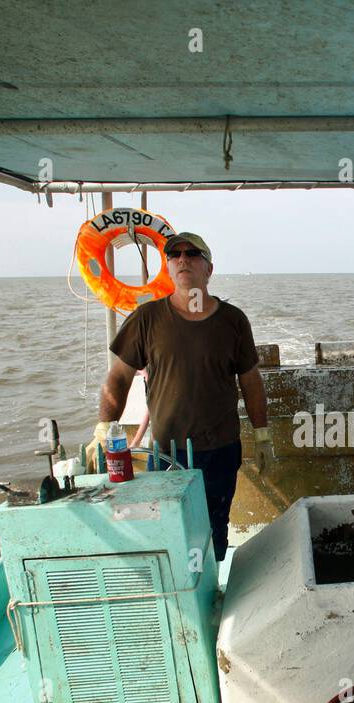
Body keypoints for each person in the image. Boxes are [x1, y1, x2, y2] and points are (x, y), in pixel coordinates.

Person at [86, 232, 275, 562]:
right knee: (171, 530)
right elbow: (118, 377)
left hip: (221, 449)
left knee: (215, 528)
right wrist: (104, 427)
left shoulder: (233, 321)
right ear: (168, 266)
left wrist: (263, 435)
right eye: (174, 254)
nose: (183, 258)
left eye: (193, 253)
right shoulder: (147, 319)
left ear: (209, 269)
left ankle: (212, 592)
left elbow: (251, 381)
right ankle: (183, 594)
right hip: (169, 452)